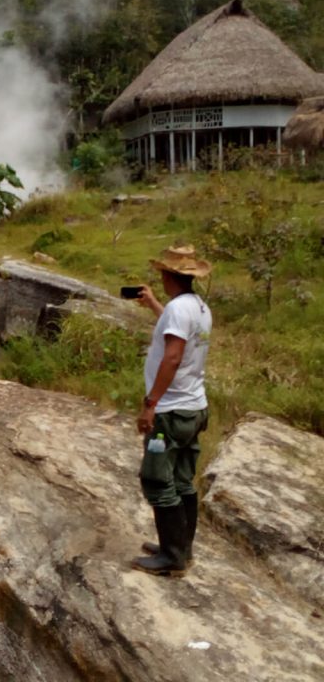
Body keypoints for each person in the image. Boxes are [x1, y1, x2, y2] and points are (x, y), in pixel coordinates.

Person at [132, 244, 213, 577]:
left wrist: (151, 404)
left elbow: (173, 357)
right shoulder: (198, 306)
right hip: (193, 406)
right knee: (182, 481)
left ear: (168, 275)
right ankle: (181, 547)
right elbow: (178, 333)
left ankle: (172, 557)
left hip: (170, 409)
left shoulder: (180, 310)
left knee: (156, 478)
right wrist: (153, 305)